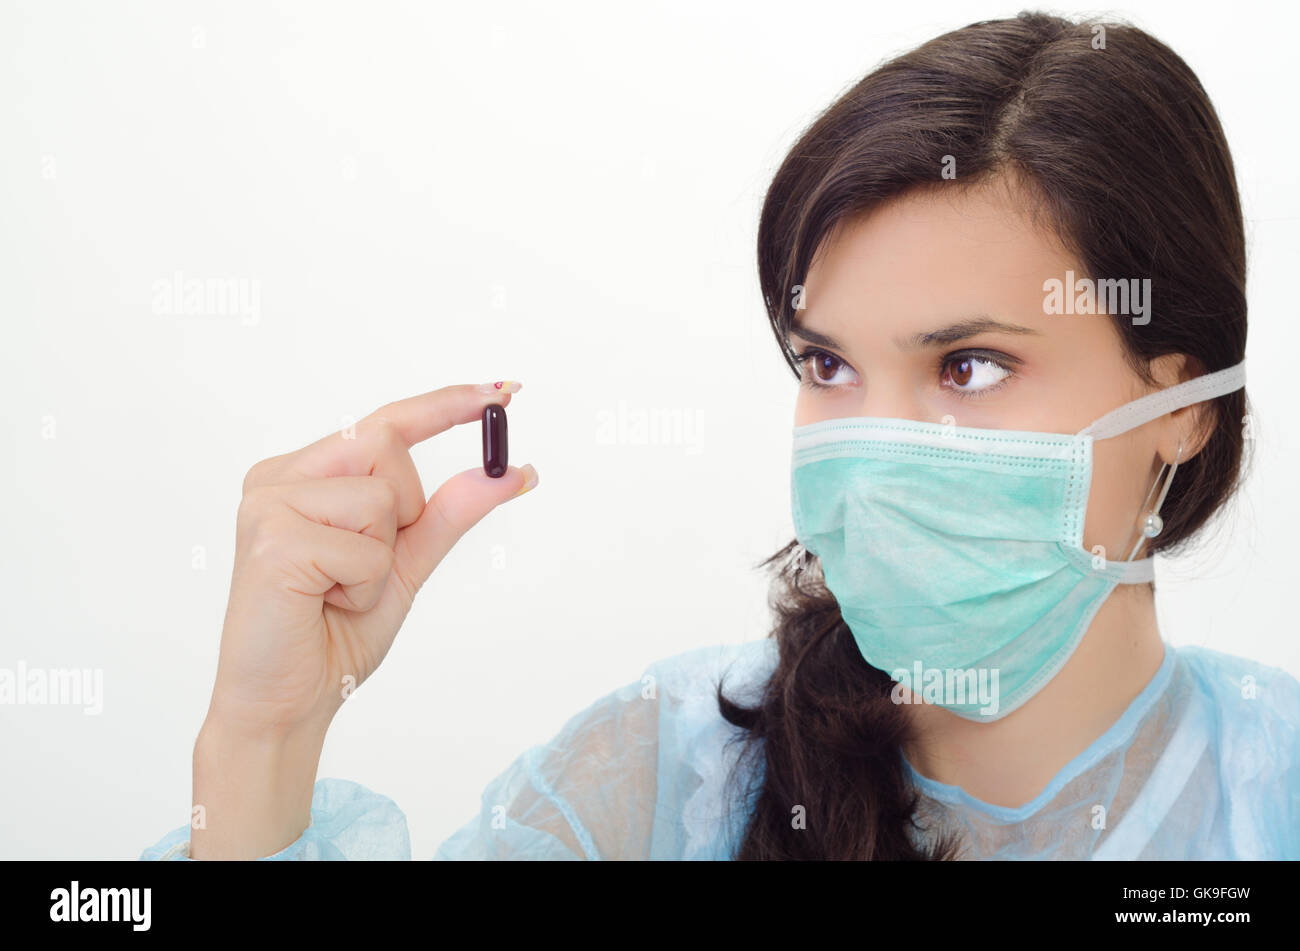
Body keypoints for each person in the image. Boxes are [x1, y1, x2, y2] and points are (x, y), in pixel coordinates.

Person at [141, 11, 1299, 861]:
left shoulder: (1275, 789)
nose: (874, 449)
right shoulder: (666, 776)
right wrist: (260, 742)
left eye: (969, 365)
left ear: (1181, 405)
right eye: (826, 365)